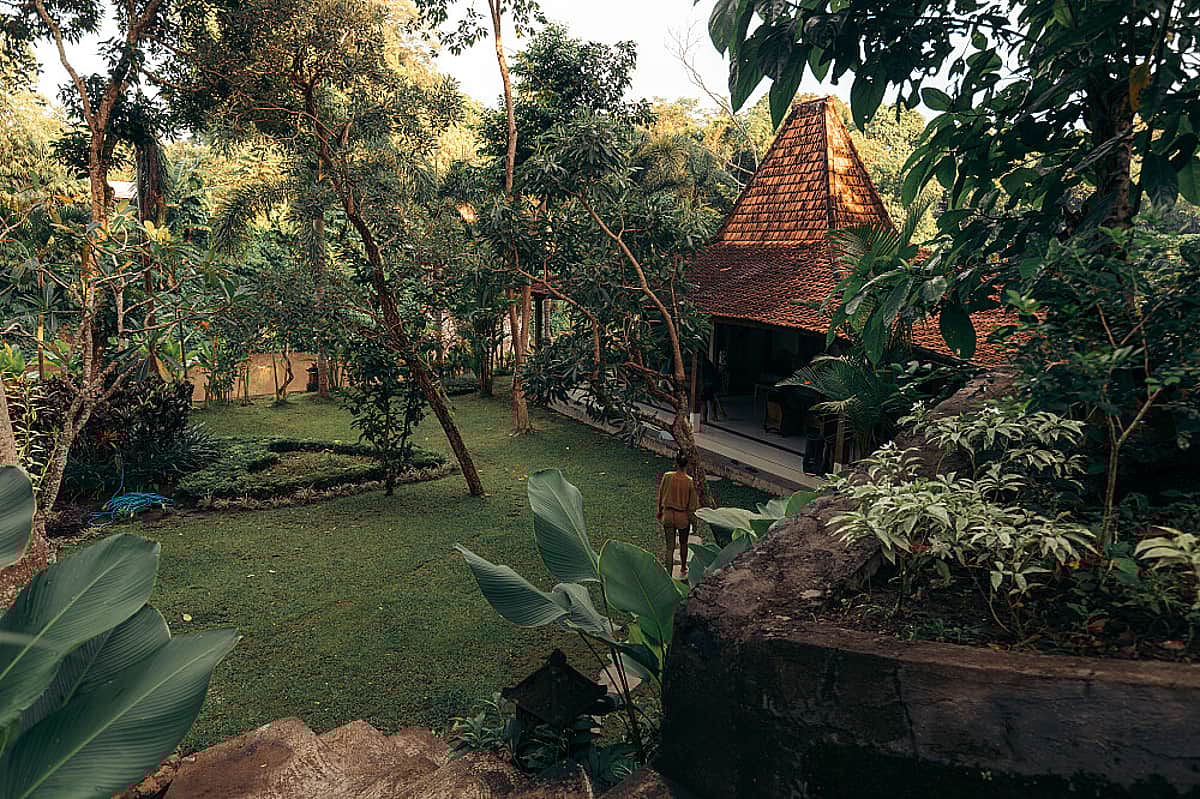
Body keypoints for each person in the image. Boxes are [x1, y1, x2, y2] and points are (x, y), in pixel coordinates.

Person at [656, 452, 701, 577]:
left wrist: (660, 511)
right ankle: (682, 567)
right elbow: (692, 507)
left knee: (669, 547)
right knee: (683, 543)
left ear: (675, 463)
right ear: (687, 465)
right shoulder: (689, 481)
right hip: (682, 517)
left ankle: (668, 574)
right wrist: (694, 523)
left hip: (668, 515)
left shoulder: (667, 476)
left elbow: (660, 495)